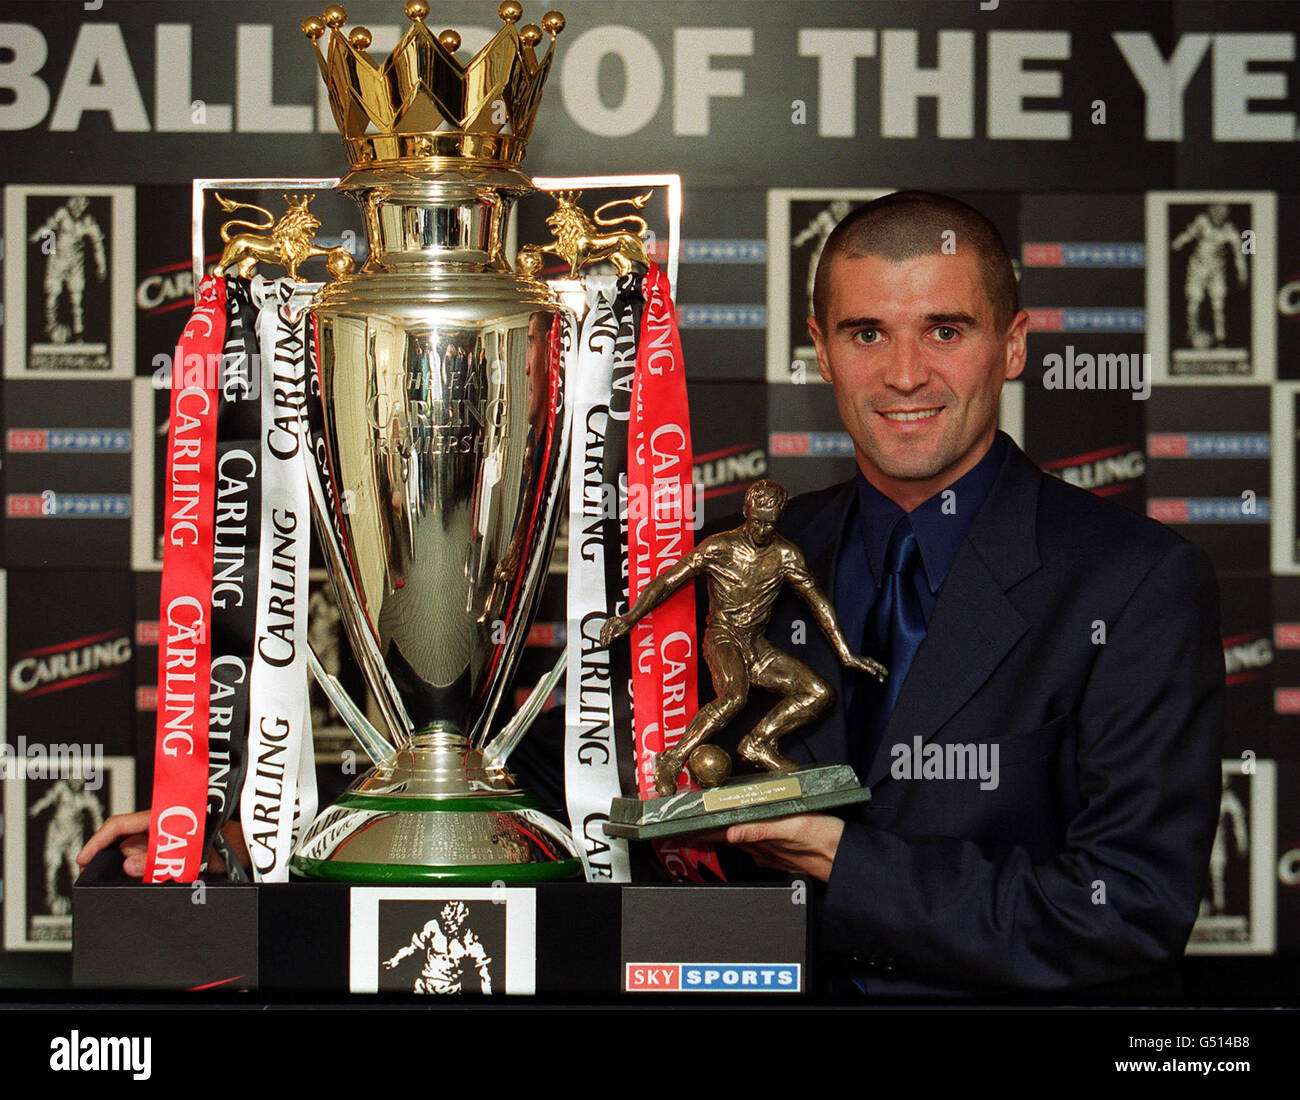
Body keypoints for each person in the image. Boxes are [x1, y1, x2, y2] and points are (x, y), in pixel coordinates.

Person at [714, 191, 1222, 996]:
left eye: (945, 331)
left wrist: (844, 862)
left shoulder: (1133, 581)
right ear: (820, 350)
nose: (905, 374)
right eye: (866, 333)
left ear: (1013, 346)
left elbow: (1129, 908)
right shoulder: (748, 554)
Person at [600, 478, 885, 796]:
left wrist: (845, 653)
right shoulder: (719, 547)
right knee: (735, 696)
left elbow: (818, 603)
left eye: (770, 524)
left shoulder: (786, 555)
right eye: (758, 521)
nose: (762, 530)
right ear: (746, 512)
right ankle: (673, 759)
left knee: (818, 693)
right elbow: (668, 581)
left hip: (757, 646)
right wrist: (629, 617)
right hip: (724, 639)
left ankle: (759, 742)